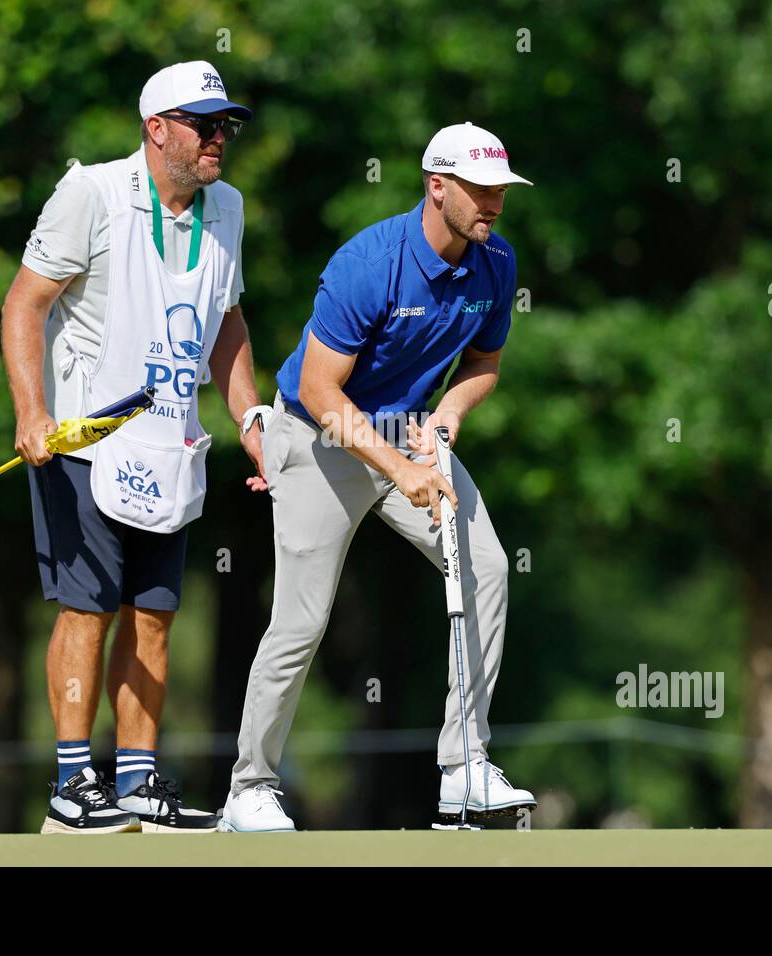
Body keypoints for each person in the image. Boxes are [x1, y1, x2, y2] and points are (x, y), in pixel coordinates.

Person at [219, 123, 536, 831]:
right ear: (437, 187)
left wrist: (446, 420)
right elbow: (326, 395)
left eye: (501, 192)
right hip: (317, 435)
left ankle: (465, 768)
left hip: (409, 431)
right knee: (302, 619)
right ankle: (249, 788)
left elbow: (484, 366)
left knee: (486, 568)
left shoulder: (497, 262)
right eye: (480, 190)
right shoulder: (368, 264)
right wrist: (399, 467)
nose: (494, 204)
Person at [1, 60, 271, 834]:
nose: (221, 137)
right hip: (83, 438)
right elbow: (25, 303)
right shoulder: (91, 193)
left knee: (154, 614)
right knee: (88, 612)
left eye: (227, 125)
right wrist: (31, 412)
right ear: (157, 129)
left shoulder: (230, 210)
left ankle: (138, 780)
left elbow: (227, 323)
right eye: (205, 124)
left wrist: (250, 418)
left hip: (172, 445)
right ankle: (70, 780)